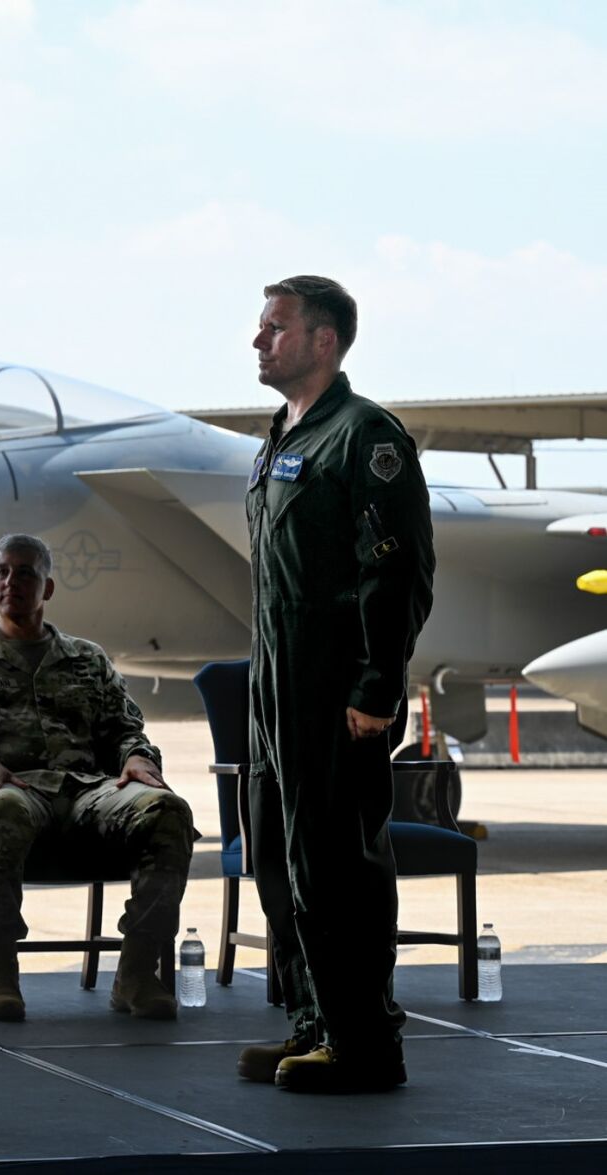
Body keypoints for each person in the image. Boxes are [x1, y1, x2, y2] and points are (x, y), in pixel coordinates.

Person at [240, 275, 435, 1093]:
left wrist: (375, 685)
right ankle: (313, 1021)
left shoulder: (364, 437)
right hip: (274, 680)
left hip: (334, 685)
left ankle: (363, 1041)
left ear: (323, 341)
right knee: (277, 855)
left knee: (335, 863)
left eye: (274, 328)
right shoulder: (282, 433)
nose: (257, 341)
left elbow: (398, 572)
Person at [0, 535, 194, 1023]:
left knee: (168, 810)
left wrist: (137, 758)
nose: (11, 583)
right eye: (2, 573)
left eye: (24, 573)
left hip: (86, 792)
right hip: (12, 790)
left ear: (48, 588)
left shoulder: (89, 659)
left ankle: (137, 972)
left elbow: (126, 729)